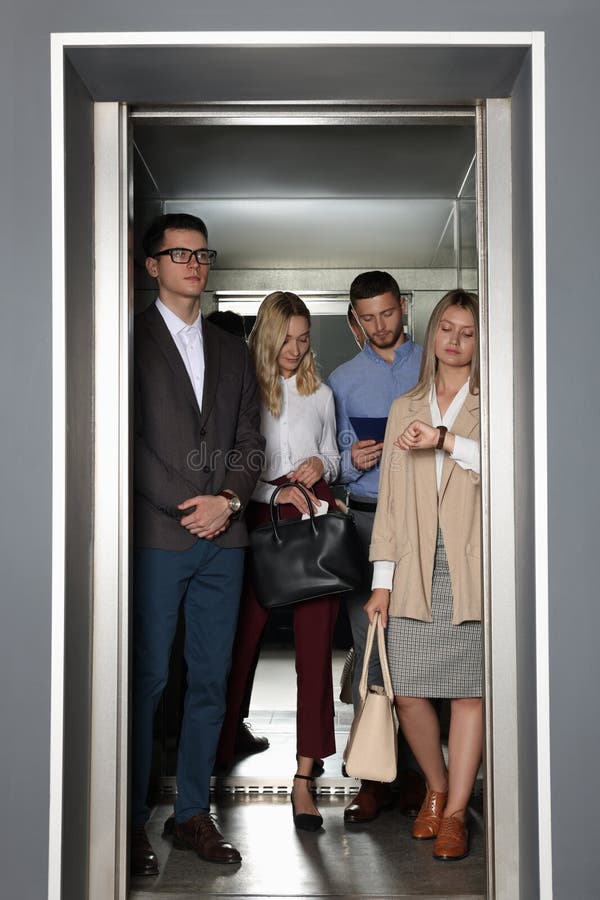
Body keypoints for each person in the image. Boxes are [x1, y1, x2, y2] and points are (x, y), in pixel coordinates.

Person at [131, 212, 265, 876]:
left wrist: (230, 503)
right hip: (160, 534)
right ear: (151, 265)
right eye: (177, 253)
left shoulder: (233, 347)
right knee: (148, 680)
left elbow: (251, 441)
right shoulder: (125, 338)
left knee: (211, 681)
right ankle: (127, 821)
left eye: (201, 252)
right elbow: (123, 438)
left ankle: (191, 814)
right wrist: (188, 507)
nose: (193, 262)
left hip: (228, 538)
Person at [216, 291, 340, 832]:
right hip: (257, 526)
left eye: (304, 337)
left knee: (315, 657)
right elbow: (228, 465)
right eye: (286, 337)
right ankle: (213, 760)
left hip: (315, 530)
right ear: (265, 335)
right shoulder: (242, 390)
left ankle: (305, 779)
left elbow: (334, 455)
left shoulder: (322, 393)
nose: (295, 348)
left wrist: (320, 463)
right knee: (237, 648)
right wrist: (273, 493)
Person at [365, 289, 482, 861]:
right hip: (412, 566)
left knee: (467, 693)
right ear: (432, 334)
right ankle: (435, 788)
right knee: (407, 690)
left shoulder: (495, 403)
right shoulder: (404, 409)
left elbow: (508, 464)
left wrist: (448, 440)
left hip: (472, 568)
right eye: (447, 329)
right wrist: (380, 582)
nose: (456, 341)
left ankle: (456, 812)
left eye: (468, 331)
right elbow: (388, 501)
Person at [327, 271, 424, 824]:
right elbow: (334, 457)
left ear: (403, 307)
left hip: (426, 524)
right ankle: (372, 777)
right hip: (364, 523)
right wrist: (351, 460)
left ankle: (415, 774)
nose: (379, 326)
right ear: (354, 319)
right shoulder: (341, 379)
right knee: (370, 653)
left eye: (387, 313)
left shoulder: (432, 363)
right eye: (368, 317)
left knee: (422, 646)